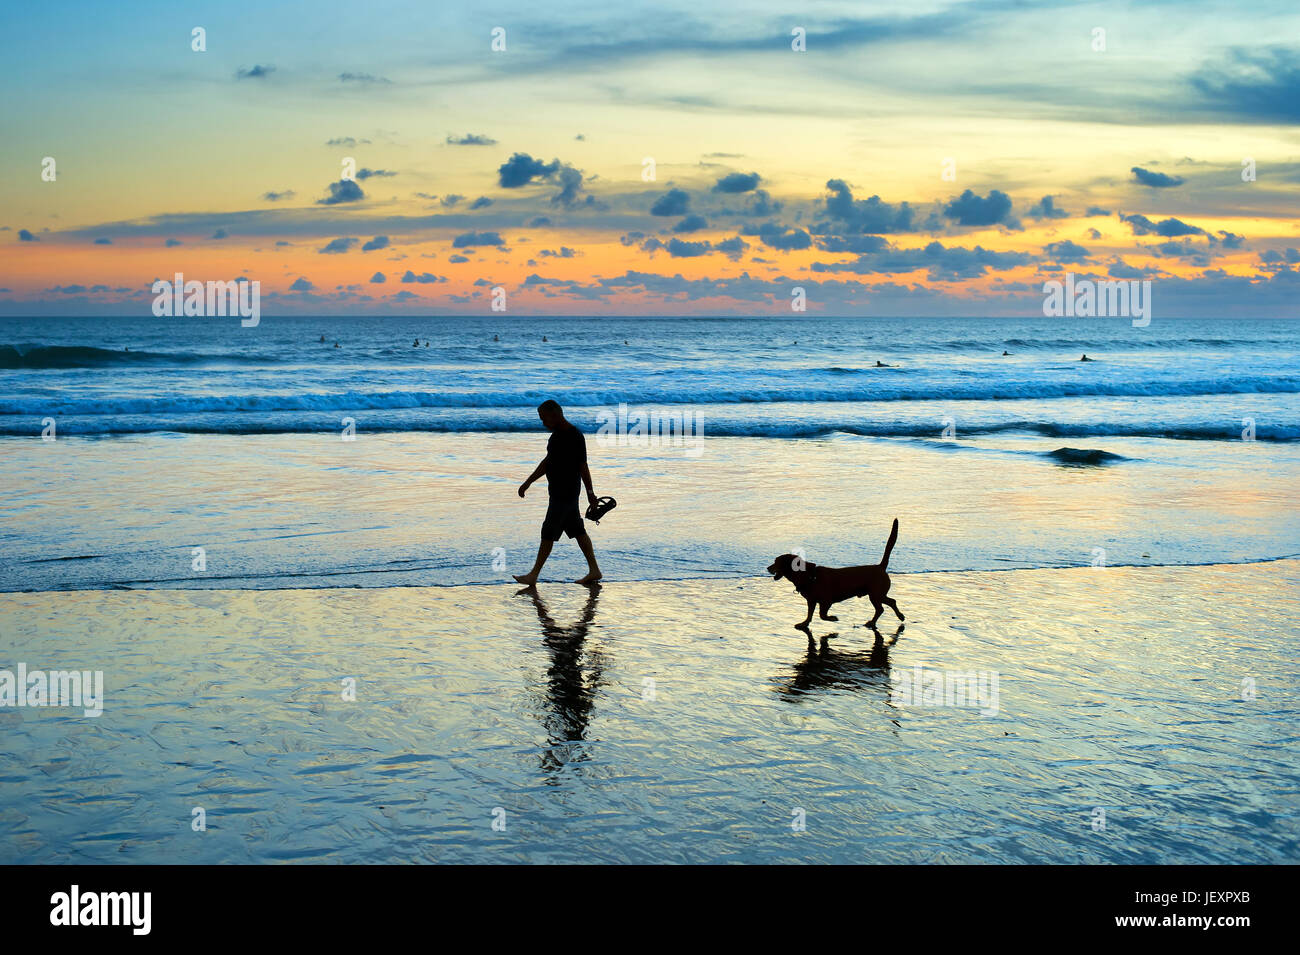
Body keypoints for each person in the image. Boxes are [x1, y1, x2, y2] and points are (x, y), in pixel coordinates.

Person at [514, 399, 602, 586]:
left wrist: (591, 493)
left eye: (544, 418)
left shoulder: (574, 436)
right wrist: (527, 482)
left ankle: (533, 575)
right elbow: (547, 462)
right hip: (559, 492)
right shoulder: (556, 437)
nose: (542, 423)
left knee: (548, 531)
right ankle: (594, 570)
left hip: (565, 493)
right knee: (578, 530)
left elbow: (582, 466)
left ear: (555, 415)